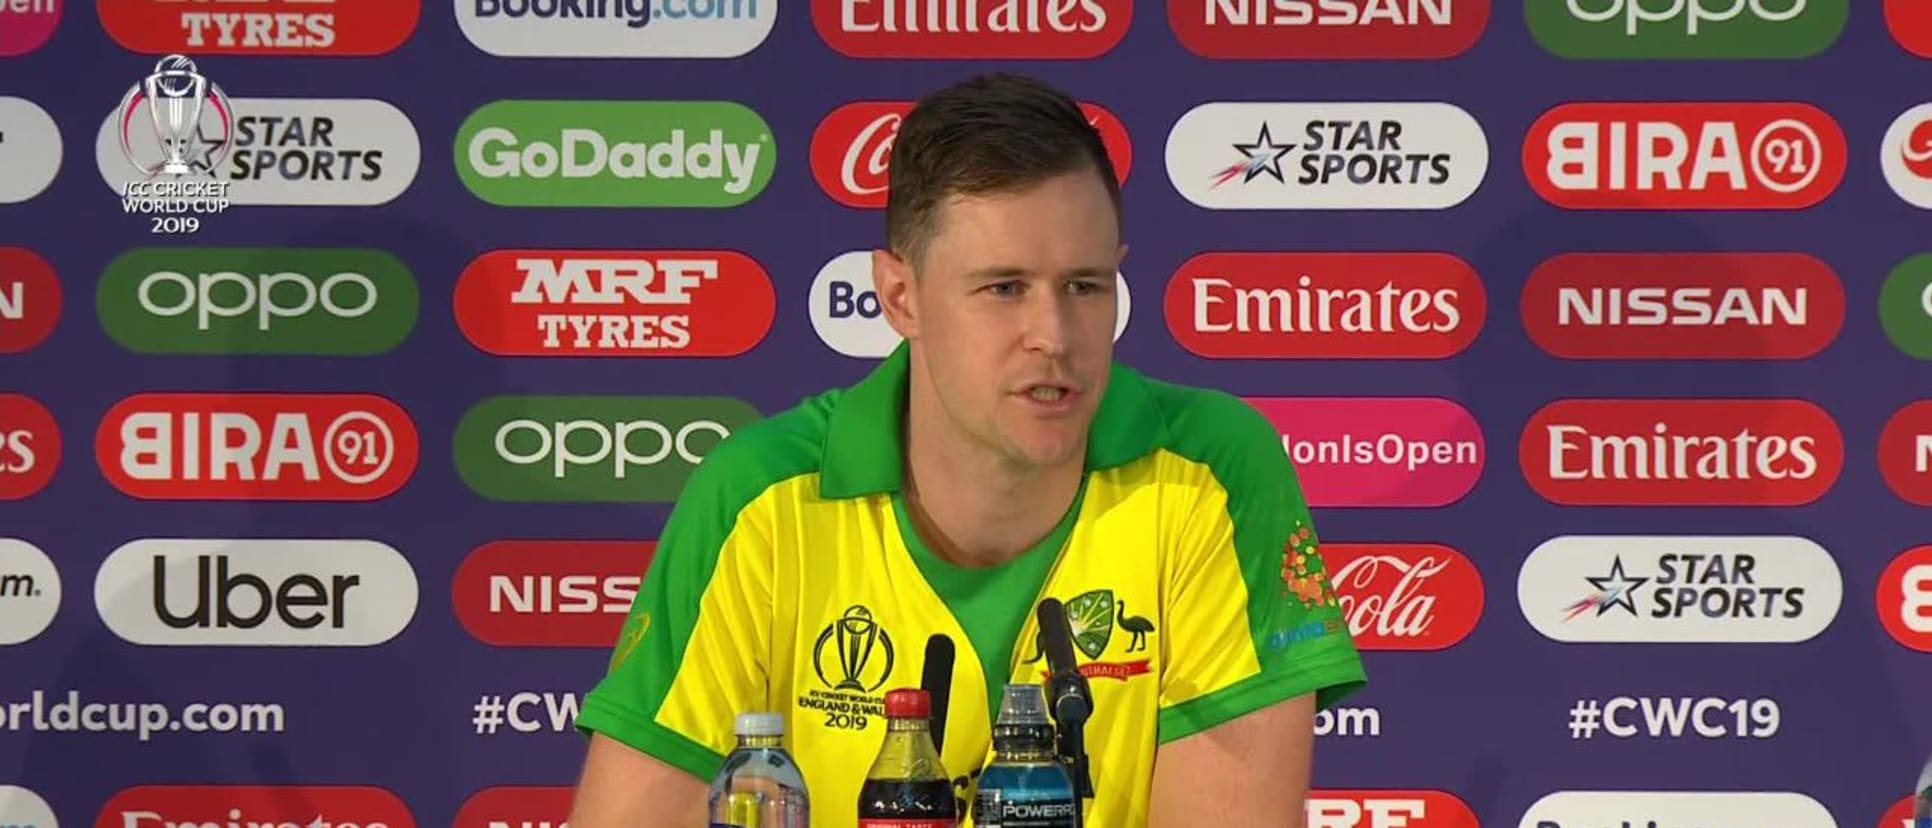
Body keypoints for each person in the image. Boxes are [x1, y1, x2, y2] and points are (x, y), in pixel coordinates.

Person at [565, 72, 1367, 828]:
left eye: (1085, 286)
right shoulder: (759, 497)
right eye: (1004, 288)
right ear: (900, 296)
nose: (1054, 337)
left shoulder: (1213, 471)